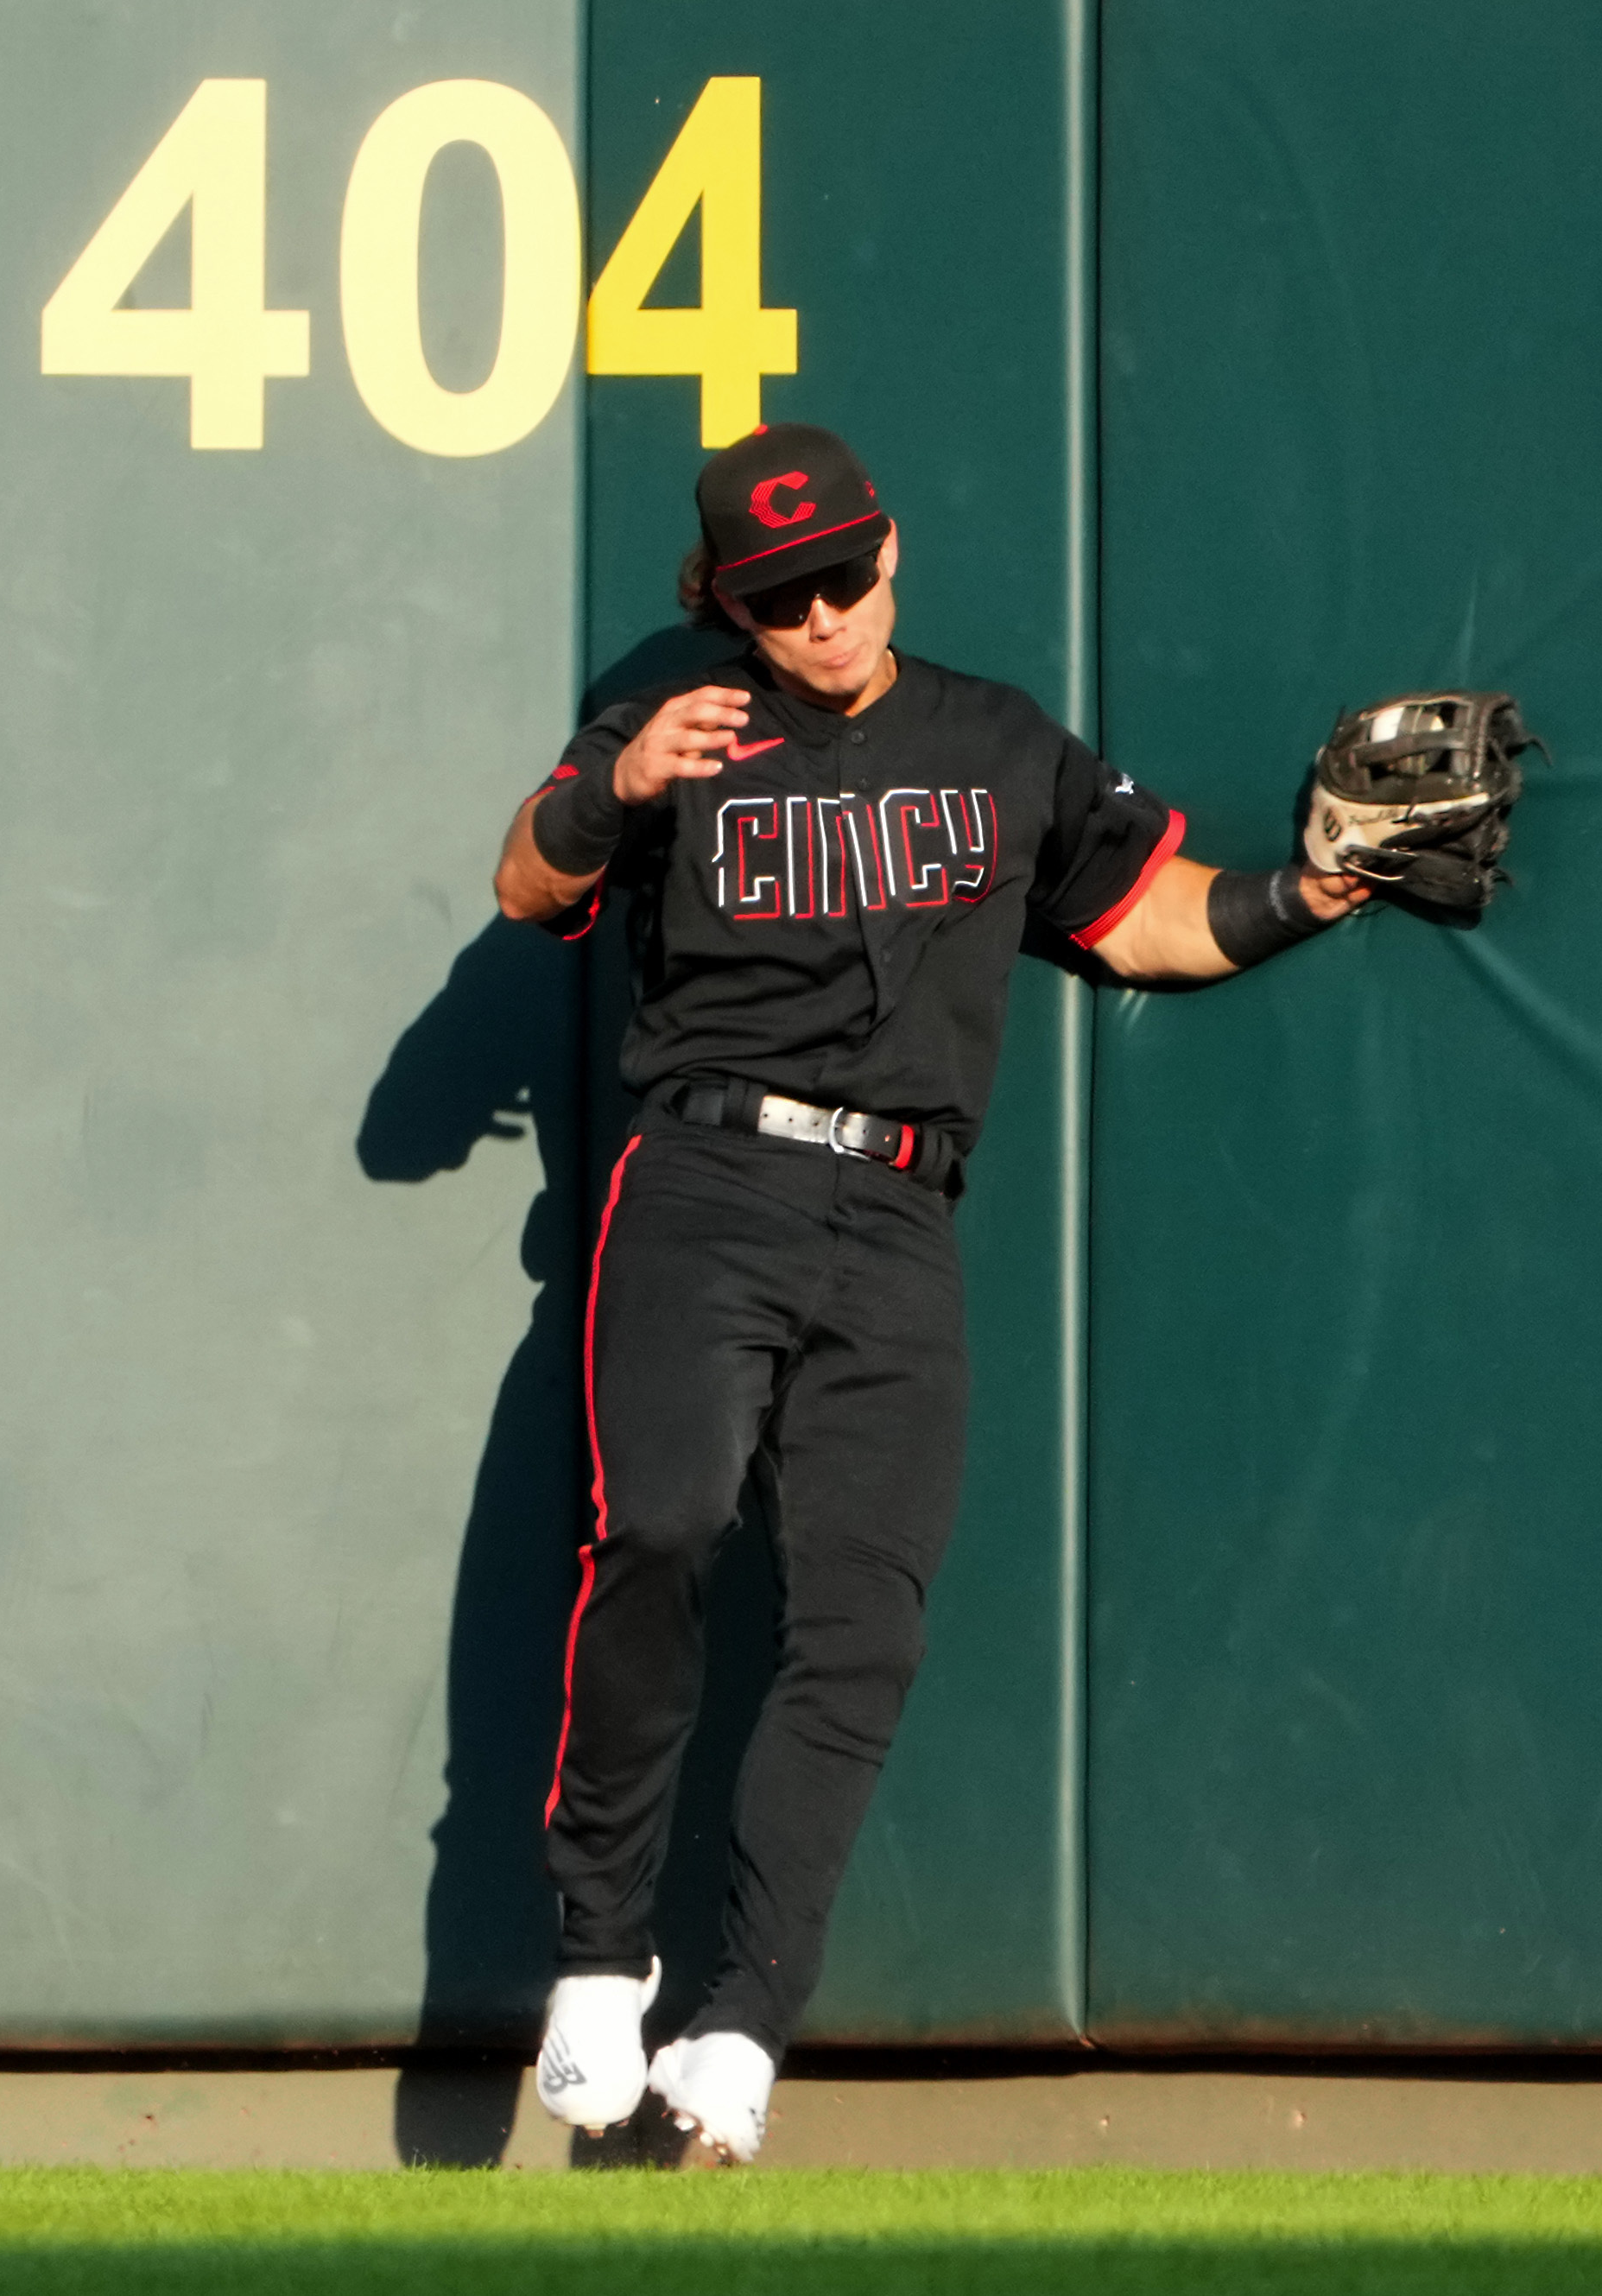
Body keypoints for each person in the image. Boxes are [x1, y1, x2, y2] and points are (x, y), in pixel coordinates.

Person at [491, 423, 1364, 2164]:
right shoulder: (680, 729)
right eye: (780, 596)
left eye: (842, 576)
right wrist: (614, 786)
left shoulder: (995, 739)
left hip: (897, 1210)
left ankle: (746, 2018)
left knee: (863, 1622)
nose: (821, 616)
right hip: (709, 1179)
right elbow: (527, 882)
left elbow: (1146, 917)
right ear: (727, 602)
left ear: (889, 553)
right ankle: (598, 1950)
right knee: (661, 1525)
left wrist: (1308, 893)